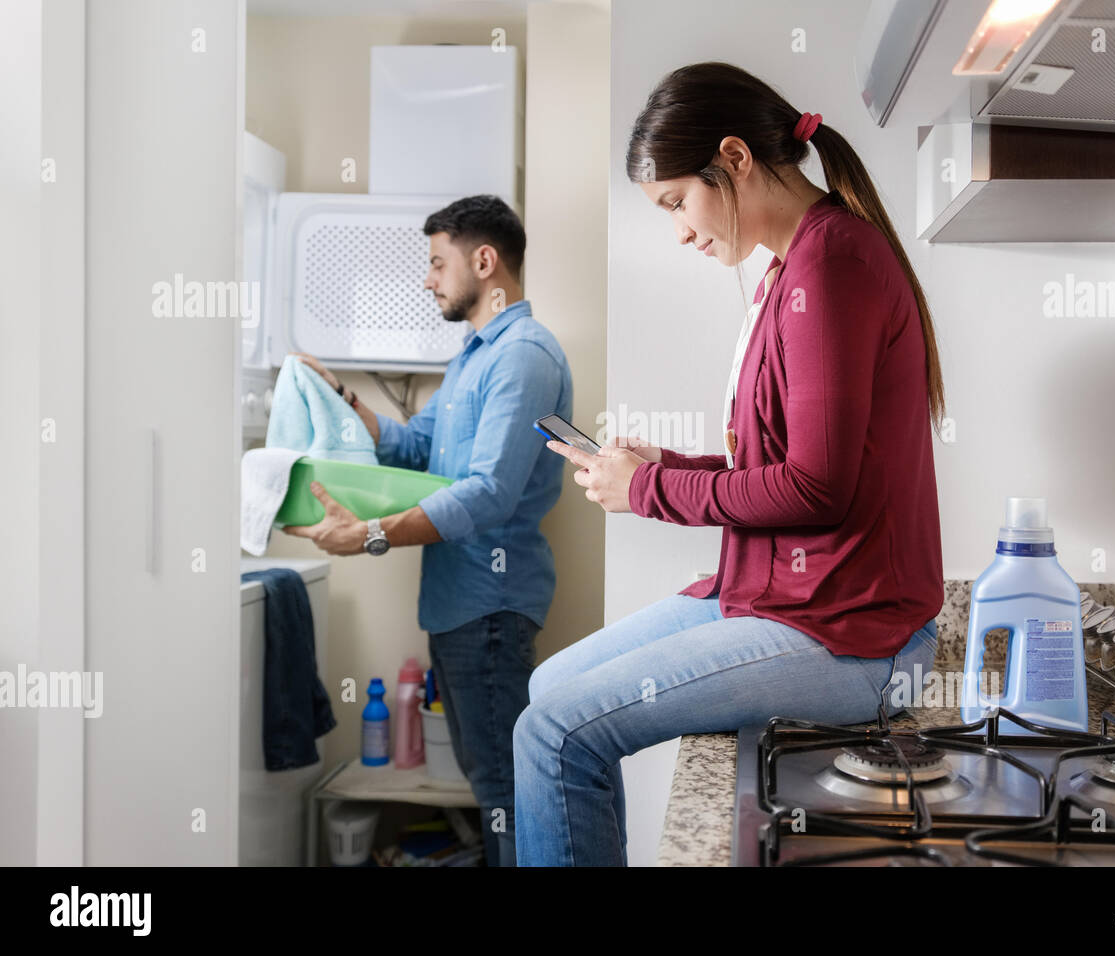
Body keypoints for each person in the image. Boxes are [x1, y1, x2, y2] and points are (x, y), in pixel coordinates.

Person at [512, 62, 946, 866]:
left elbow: (817, 488)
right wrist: (666, 462)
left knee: (554, 730)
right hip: (781, 598)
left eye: (679, 201)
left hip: (854, 638)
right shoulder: (791, 270)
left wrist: (646, 489)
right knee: (546, 696)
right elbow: (786, 461)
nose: (678, 230)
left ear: (736, 159)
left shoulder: (833, 265)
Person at [285, 195, 574, 867]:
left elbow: (490, 493)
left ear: (484, 260)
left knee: (502, 783)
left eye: (438, 263)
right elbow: (417, 445)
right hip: (456, 607)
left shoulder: (524, 356)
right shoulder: (473, 357)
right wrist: (343, 398)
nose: (428, 279)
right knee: (485, 778)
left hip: (491, 607)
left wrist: (372, 535)